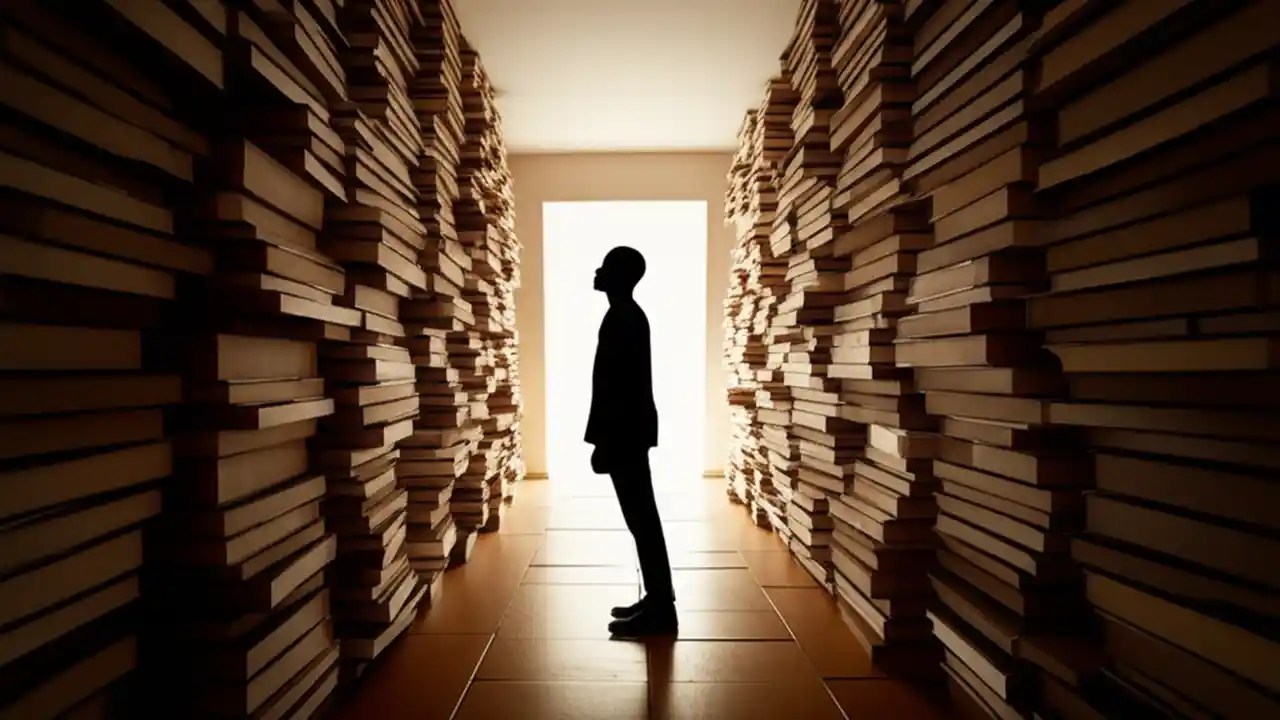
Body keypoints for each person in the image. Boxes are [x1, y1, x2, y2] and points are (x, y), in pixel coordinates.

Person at [586, 246, 677, 636]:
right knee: (642, 521)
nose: (597, 271)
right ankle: (657, 600)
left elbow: (618, 390)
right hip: (629, 432)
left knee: (643, 521)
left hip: (626, 433)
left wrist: (604, 441)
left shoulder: (624, 318)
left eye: (605, 266)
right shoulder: (624, 316)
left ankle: (661, 608)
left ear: (619, 276)